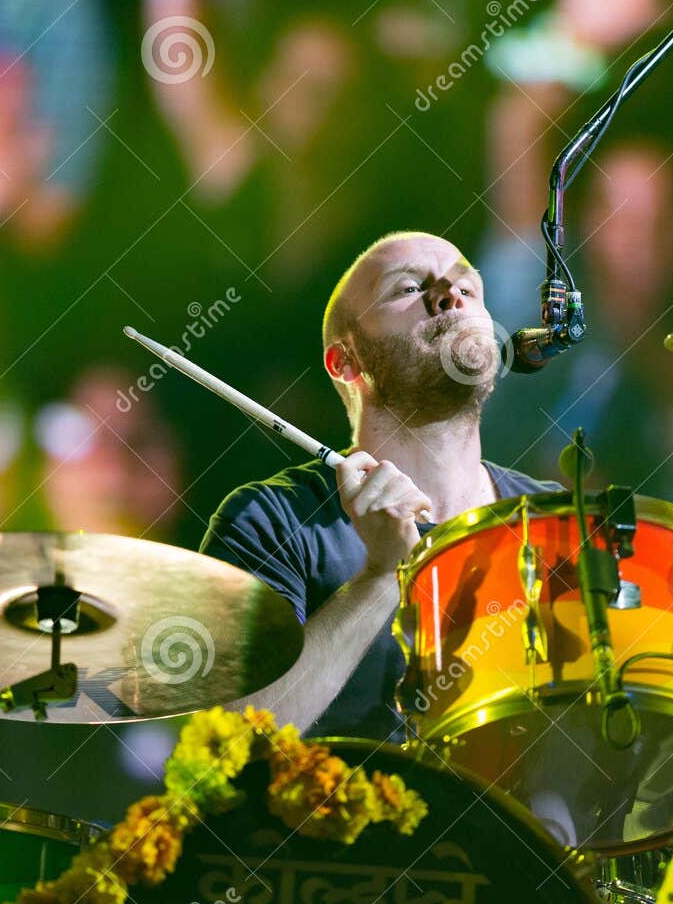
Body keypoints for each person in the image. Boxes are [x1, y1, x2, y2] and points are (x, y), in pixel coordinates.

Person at [199, 231, 558, 740]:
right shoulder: (273, 520)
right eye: (408, 288)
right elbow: (231, 739)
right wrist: (383, 576)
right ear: (345, 361)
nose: (448, 295)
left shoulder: (556, 521)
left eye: (467, 288)